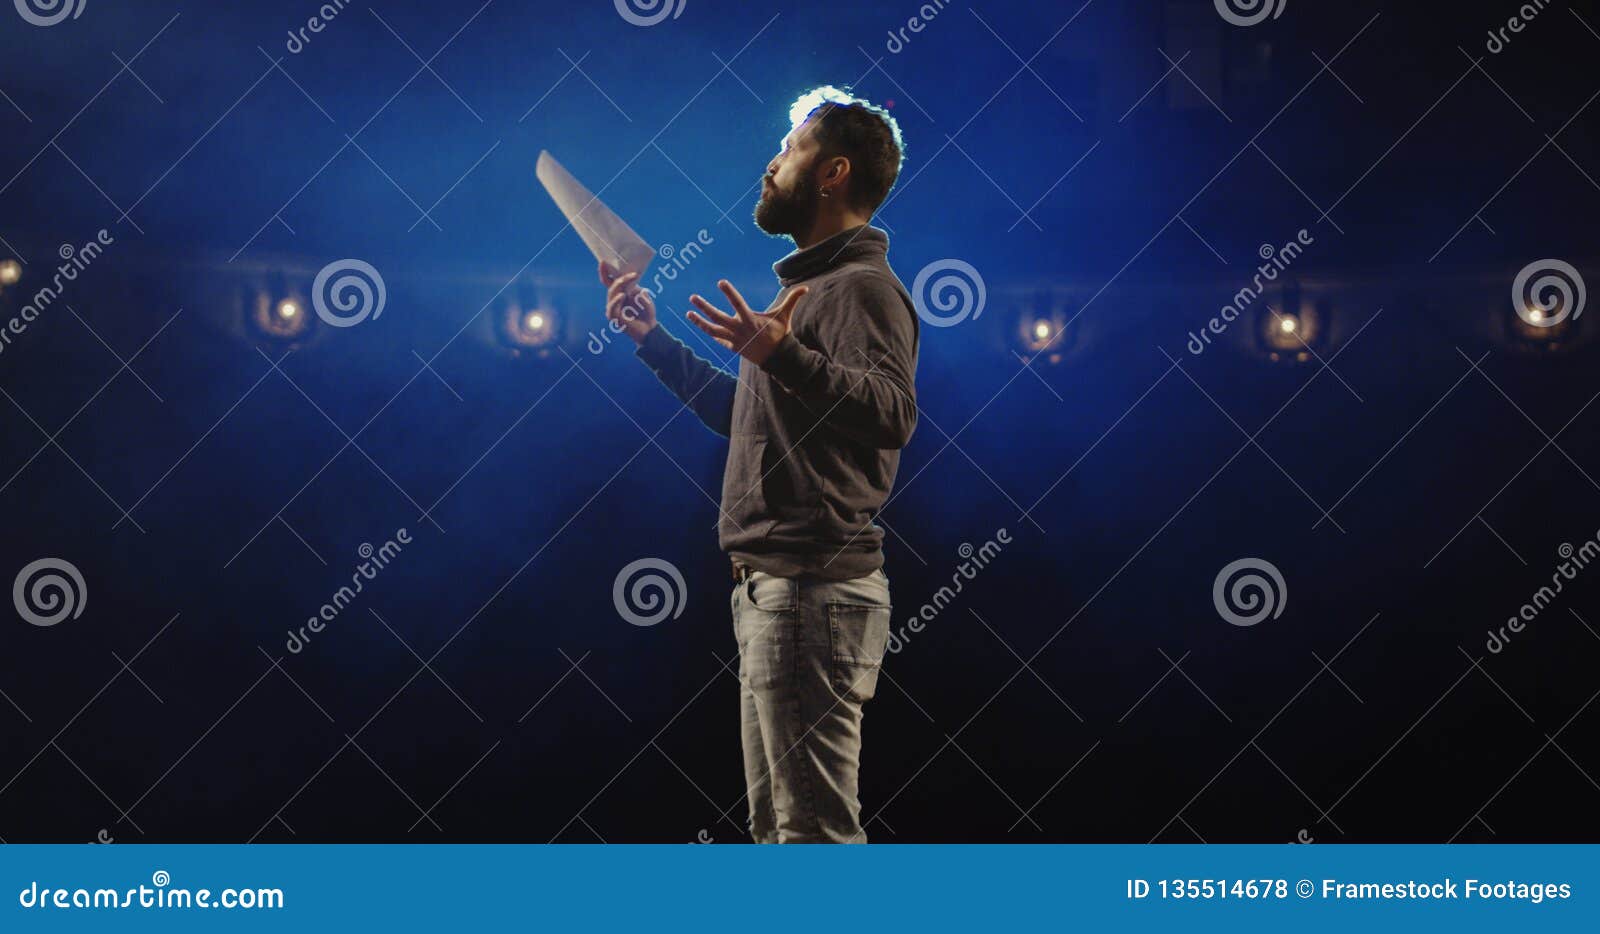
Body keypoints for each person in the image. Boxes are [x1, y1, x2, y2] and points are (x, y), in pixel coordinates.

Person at [598, 86, 917, 843]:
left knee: (810, 837)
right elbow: (743, 418)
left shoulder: (861, 288)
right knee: (780, 831)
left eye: (790, 149)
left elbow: (891, 415)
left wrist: (784, 356)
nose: (771, 164)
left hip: (812, 589)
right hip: (780, 592)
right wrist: (654, 343)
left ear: (833, 172)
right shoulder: (809, 288)